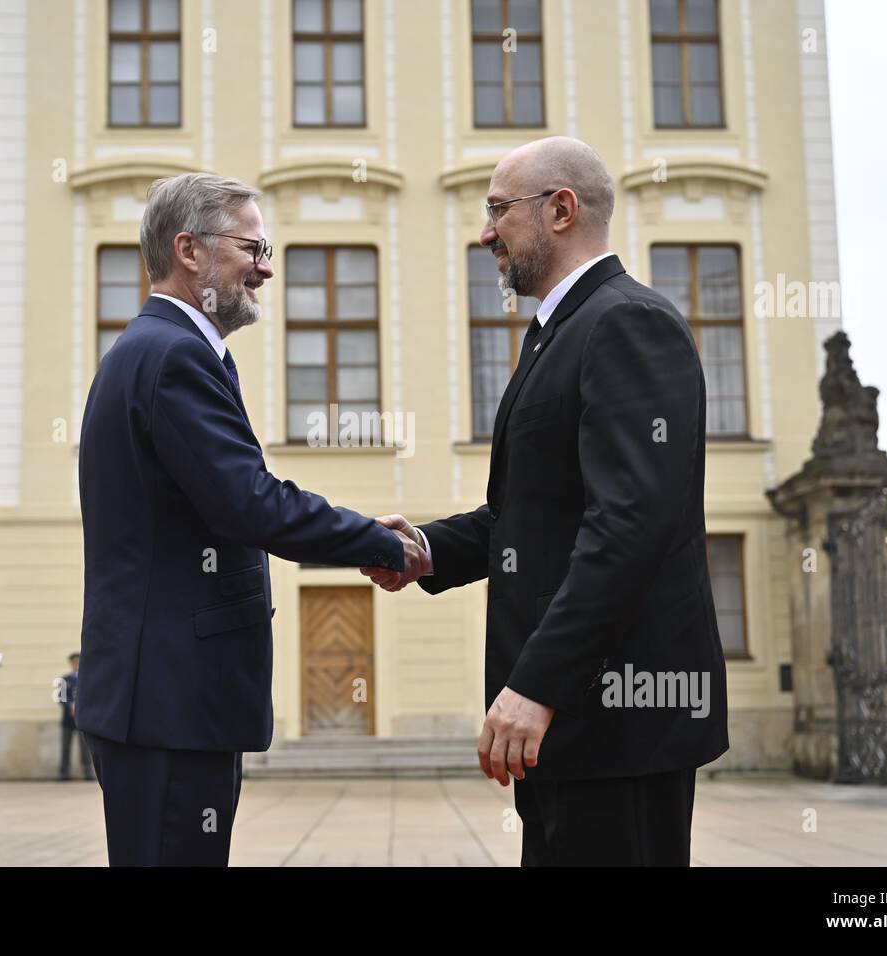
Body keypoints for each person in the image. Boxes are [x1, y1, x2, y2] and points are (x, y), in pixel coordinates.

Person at [362, 137, 729, 866]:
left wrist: (536, 684)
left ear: (560, 210)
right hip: (574, 732)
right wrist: (427, 549)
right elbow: (530, 518)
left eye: (498, 209)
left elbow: (629, 526)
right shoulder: (558, 334)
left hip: (615, 723)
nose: (484, 231)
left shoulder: (626, 322)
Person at [77, 173, 428, 867]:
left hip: (164, 698)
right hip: (170, 700)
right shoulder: (174, 355)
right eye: (254, 247)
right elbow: (249, 502)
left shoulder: (159, 349)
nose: (268, 267)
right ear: (189, 250)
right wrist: (377, 540)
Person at [58, 652, 92, 781]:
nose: (76, 665)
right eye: (74, 663)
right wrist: (70, 706)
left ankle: (88, 772)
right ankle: (64, 773)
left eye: (78, 662)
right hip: (68, 719)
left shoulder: (87, 679)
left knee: (85, 748)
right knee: (65, 747)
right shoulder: (64, 680)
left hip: (83, 719)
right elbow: (60, 697)